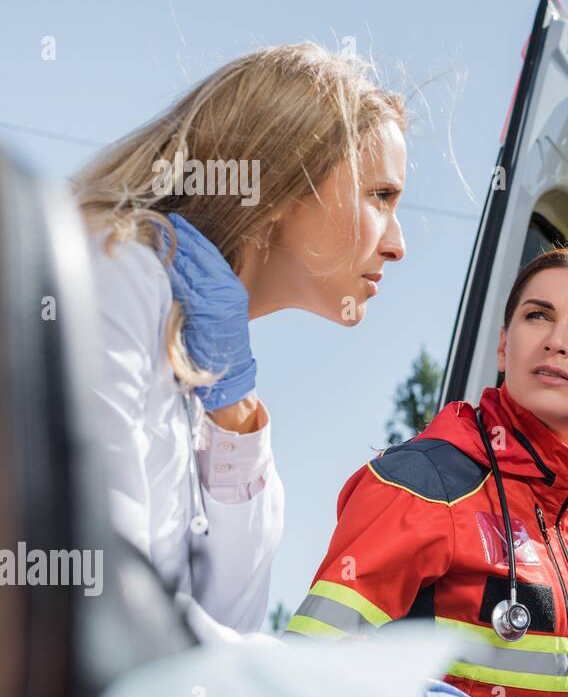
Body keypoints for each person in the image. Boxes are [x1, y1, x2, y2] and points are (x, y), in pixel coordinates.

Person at [76, 44, 408, 639]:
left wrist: (234, 412)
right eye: (380, 196)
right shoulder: (116, 270)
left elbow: (228, 627)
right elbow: (99, 602)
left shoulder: (224, 394)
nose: (397, 243)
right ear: (281, 183)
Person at [286, 248, 568, 697]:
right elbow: (306, 675)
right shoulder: (424, 481)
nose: (556, 341)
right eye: (537, 316)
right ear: (503, 346)